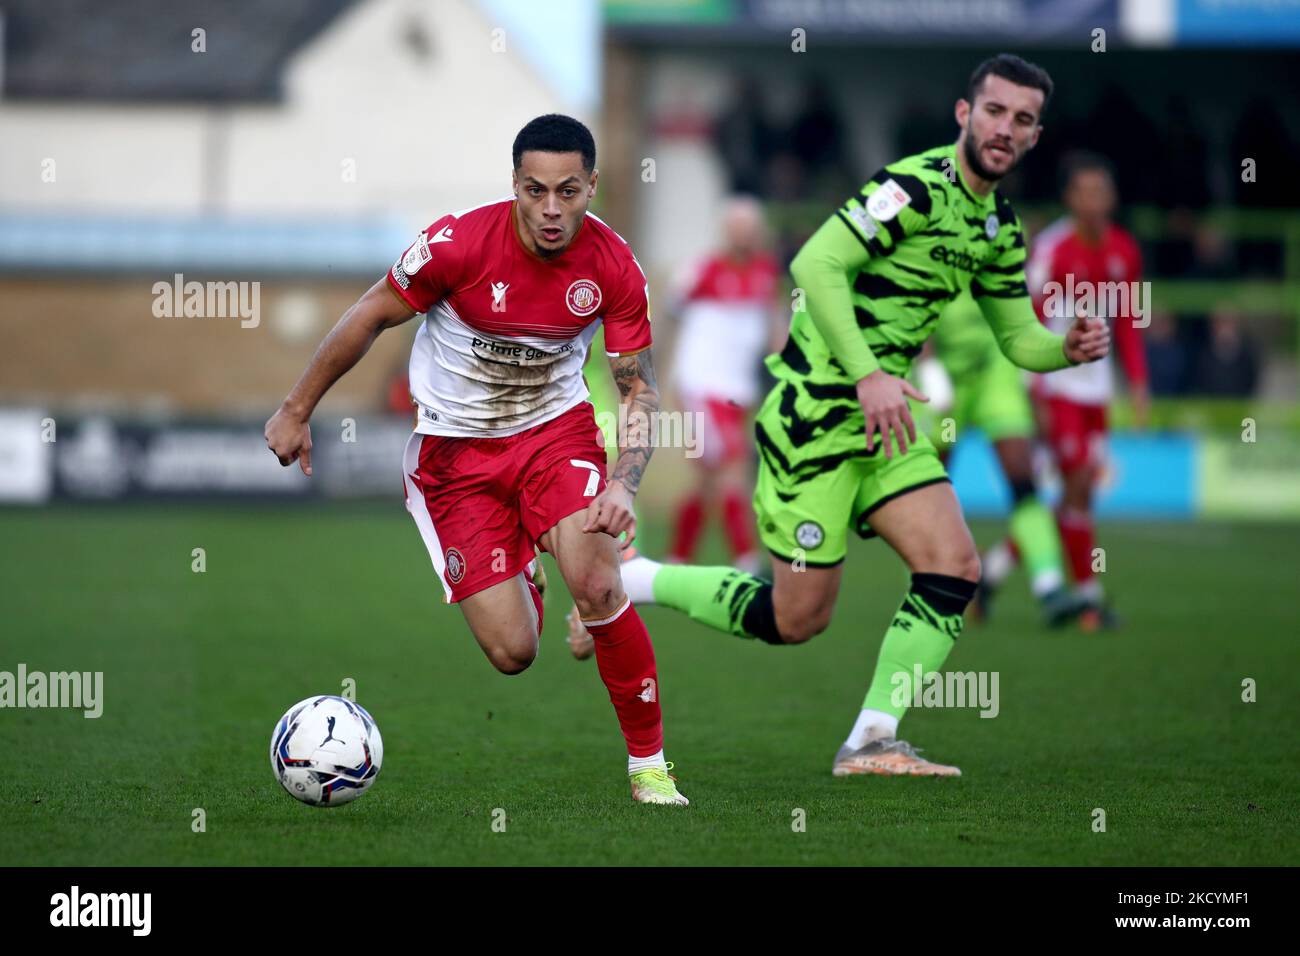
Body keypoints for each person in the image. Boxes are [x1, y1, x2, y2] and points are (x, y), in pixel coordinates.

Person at [571, 55, 1110, 777]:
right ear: (964, 113)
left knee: (953, 565)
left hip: (888, 427)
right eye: (994, 111)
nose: (1003, 129)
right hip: (817, 420)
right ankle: (633, 580)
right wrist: (869, 374)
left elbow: (1018, 338)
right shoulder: (912, 187)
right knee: (795, 620)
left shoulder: (999, 228)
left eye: (1021, 119)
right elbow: (816, 264)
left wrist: (1064, 348)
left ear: (1035, 135)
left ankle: (870, 741)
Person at [264, 114, 689, 806]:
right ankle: (529, 558)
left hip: (555, 437)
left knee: (600, 584)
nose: (552, 210)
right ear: (514, 183)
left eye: (569, 191)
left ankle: (650, 768)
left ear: (593, 186)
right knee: (512, 653)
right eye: (535, 190)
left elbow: (640, 386)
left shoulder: (613, 266)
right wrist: (296, 408)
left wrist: (624, 484)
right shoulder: (456, 244)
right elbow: (371, 313)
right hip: (454, 458)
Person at [1005, 152, 1146, 631]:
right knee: (1079, 487)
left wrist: (1139, 384)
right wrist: (1034, 391)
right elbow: (1028, 323)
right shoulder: (1052, 249)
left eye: (1101, 190)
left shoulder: (1124, 250)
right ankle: (1088, 597)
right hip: (1059, 386)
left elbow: (1127, 319)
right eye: (1084, 191)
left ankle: (992, 574)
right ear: (1069, 197)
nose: (1094, 199)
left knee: (1072, 492)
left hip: (1097, 392)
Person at [919, 290, 1081, 625]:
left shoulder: (1002, 241)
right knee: (928, 487)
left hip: (996, 371)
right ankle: (950, 578)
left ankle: (1049, 587)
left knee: (1022, 477)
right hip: (947, 377)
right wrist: (929, 363)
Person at [665, 196, 780, 573]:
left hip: (738, 390)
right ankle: (747, 561)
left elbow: (772, 327)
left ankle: (677, 560)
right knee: (734, 466)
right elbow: (667, 318)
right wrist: (658, 376)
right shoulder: (701, 271)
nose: (744, 237)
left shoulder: (765, 272)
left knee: (708, 480)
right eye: (737, 229)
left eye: (750, 229)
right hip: (701, 385)